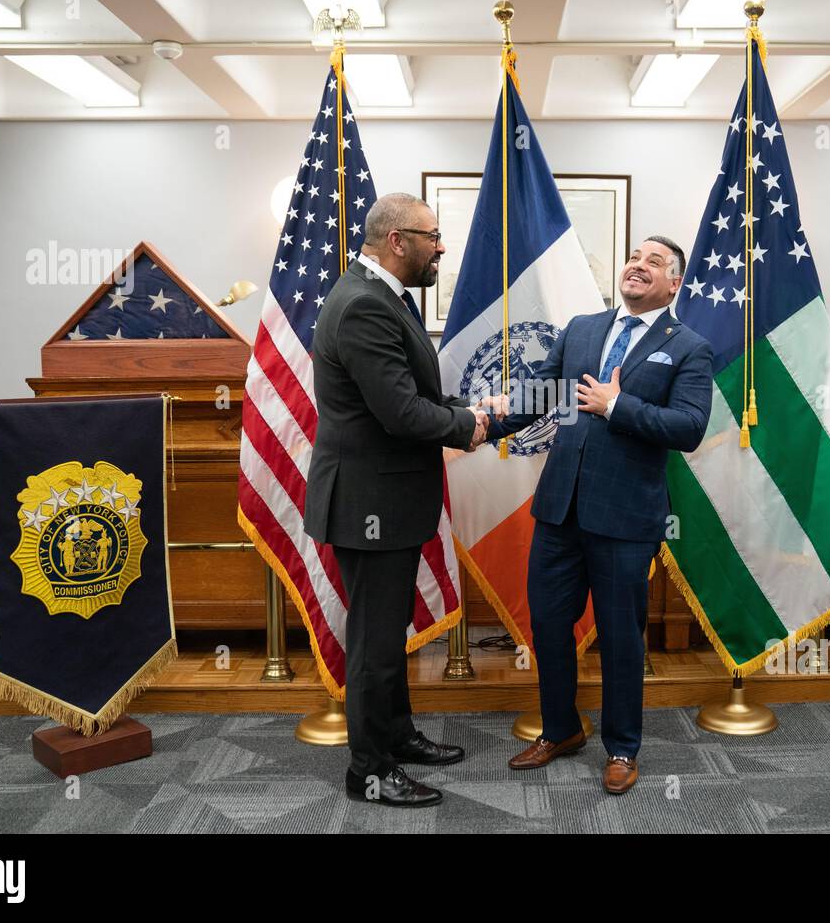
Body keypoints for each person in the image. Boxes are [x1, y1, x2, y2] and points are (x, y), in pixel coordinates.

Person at [483, 235, 713, 794]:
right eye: (634, 257)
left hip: (625, 518)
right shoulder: (583, 328)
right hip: (560, 510)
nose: (638, 265)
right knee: (549, 625)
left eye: (654, 262)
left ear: (674, 282)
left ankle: (622, 747)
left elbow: (689, 427)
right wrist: (483, 422)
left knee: (620, 637)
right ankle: (560, 730)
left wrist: (617, 406)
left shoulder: (687, 347)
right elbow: (543, 395)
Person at [304, 192, 491, 807]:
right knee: (374, 645)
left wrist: (468, 413)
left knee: (386, 635)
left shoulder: (379, 295)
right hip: (369, 504)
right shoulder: (364, 305)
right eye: (433, 236)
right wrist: (469, 426)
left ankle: (397, 735)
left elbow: (409, 393)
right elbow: (399, 413)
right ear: (396, 240)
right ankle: (370, 772)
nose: (441, 247)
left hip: (383, 499)